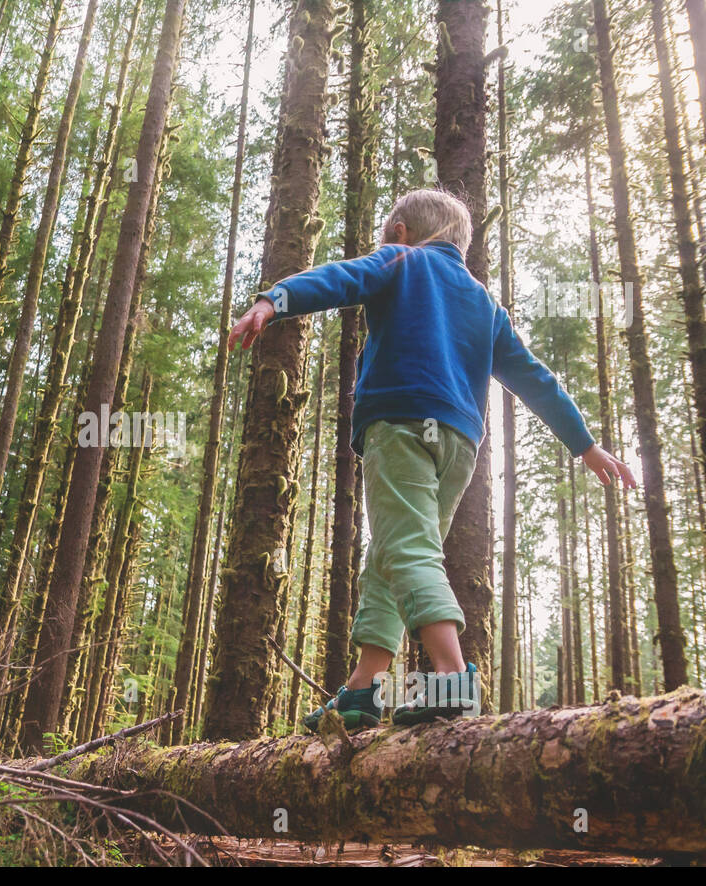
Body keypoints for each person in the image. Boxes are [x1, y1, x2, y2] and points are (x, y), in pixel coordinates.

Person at [227, 188, 636, 730]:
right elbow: (533, 377)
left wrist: (272, 300)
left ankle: (450, 675)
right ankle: (362, 690)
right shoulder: (484, 301)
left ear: (400, 231)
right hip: (459, 446)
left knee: (408, 549)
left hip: (400, 424)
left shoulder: (400, 259)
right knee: (394, 554)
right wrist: (583, 442)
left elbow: (338, 279)